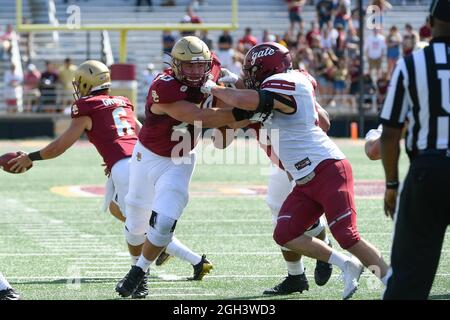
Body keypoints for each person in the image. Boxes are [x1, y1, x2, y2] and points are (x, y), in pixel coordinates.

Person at [201, 42, 390, 299]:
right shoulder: (268, 89)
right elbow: (226, 131)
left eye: (253, 70)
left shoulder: (288, 81)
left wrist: (215, 88)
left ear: (270, 68)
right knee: (284, 233)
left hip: (325, 167)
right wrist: (212, 104)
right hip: (301, 176)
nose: (249, 75)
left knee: (347, 235)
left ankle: (395, 283)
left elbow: (315, 118)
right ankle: (338, 265)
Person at [114, 36, 256, 298]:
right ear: (175, 65)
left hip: (181, 157)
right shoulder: (163, 85)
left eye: (199, 65)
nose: (194, 71)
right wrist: (247, 112)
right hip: (147, 156)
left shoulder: (211, 67)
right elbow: (199, 116)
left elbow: (222, 138)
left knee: (165, 220)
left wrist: (229, 92)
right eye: (188, 66)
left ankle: (139, 272)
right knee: (136, 225)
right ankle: (138, 266)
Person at [379, 0, 450, 299]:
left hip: (428, 171)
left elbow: (390, 133)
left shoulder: (412, 63)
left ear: (429, 22)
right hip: (430, 167)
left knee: (409, 277)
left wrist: (392, 184)